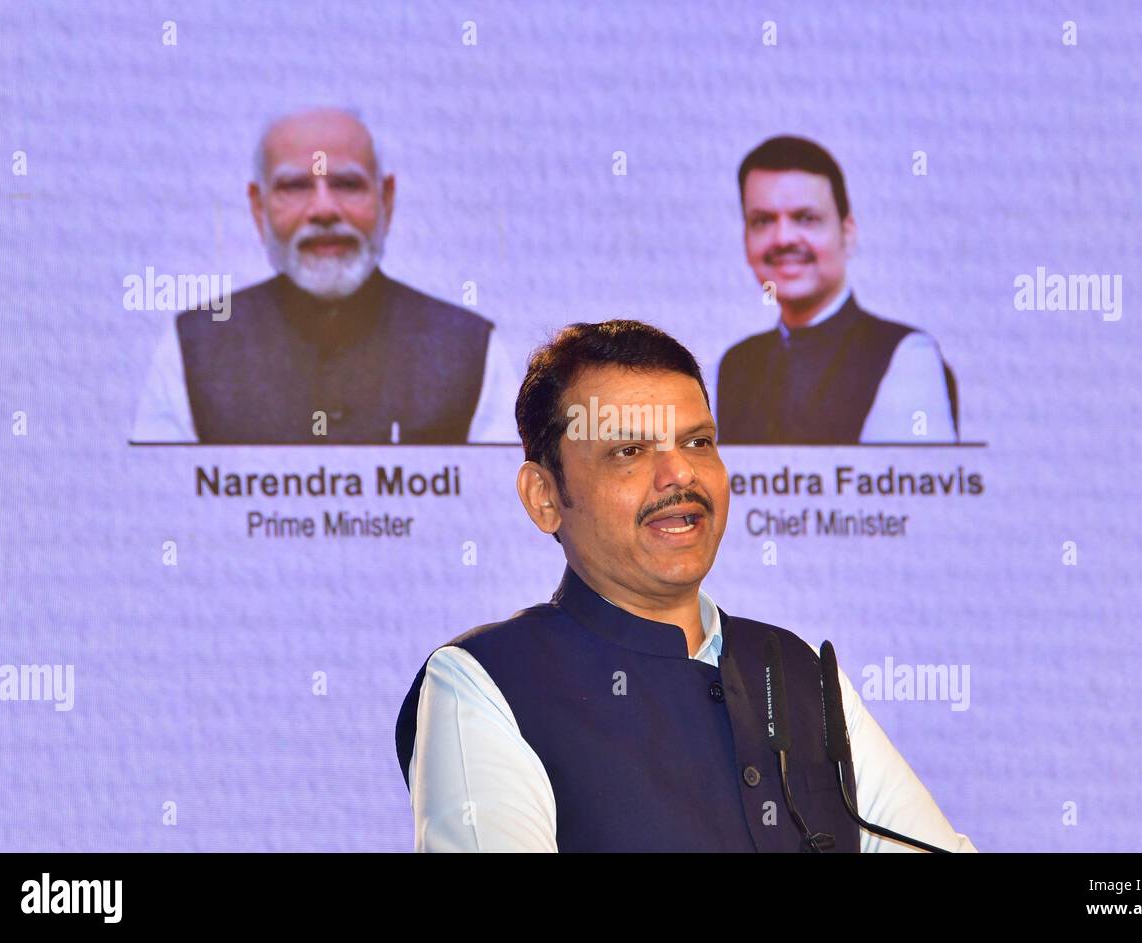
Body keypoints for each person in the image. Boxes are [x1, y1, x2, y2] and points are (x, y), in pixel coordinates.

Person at [395, 319, 977, 852]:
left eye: (698, 442)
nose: (681, 475)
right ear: (545, 498)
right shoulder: (485, 681)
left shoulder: (792, 668)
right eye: (629, 451)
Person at [132, 106, 519, 444]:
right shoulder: (190, 348)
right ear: (258, 206)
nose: (323, 209)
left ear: (386, 199)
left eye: (347, 185)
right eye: (296, 186)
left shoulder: (472, 349)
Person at [717, 136, 959, 444]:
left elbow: (901, 489)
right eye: (762, 221)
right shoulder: (736, 367)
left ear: (847, 233)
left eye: (805, 218)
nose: (783, 238)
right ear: (745, 239)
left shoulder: (905, 357)